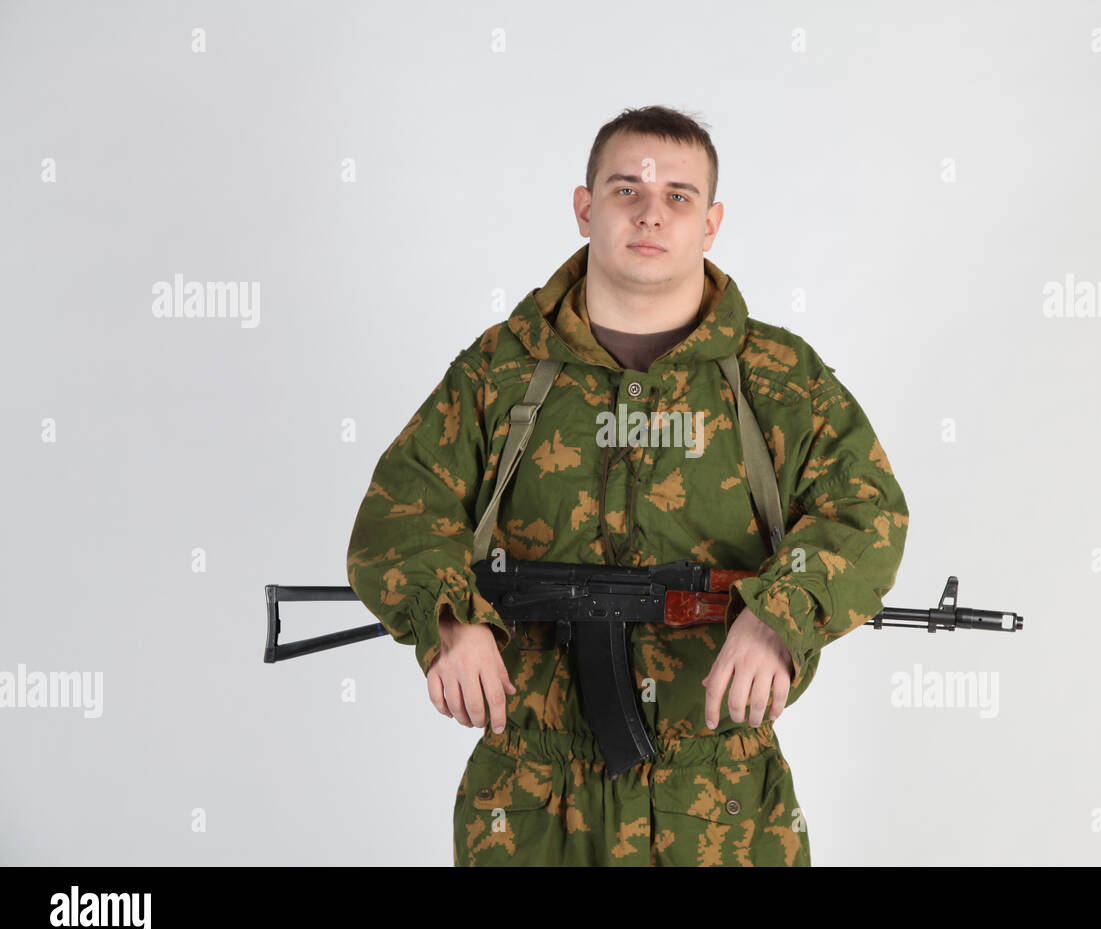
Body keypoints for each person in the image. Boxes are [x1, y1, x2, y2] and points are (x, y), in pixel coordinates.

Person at [345, 105, 909, 866]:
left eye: (678, 196)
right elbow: (400, 514)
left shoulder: (777, 379)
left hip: (720, 808)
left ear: (709, 224)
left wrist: (778, 612)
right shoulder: (499, 374)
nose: (651, 213)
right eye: (625, 190)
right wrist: (449, 619)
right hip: (531, 803)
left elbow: (866, 513)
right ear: (585, 209)